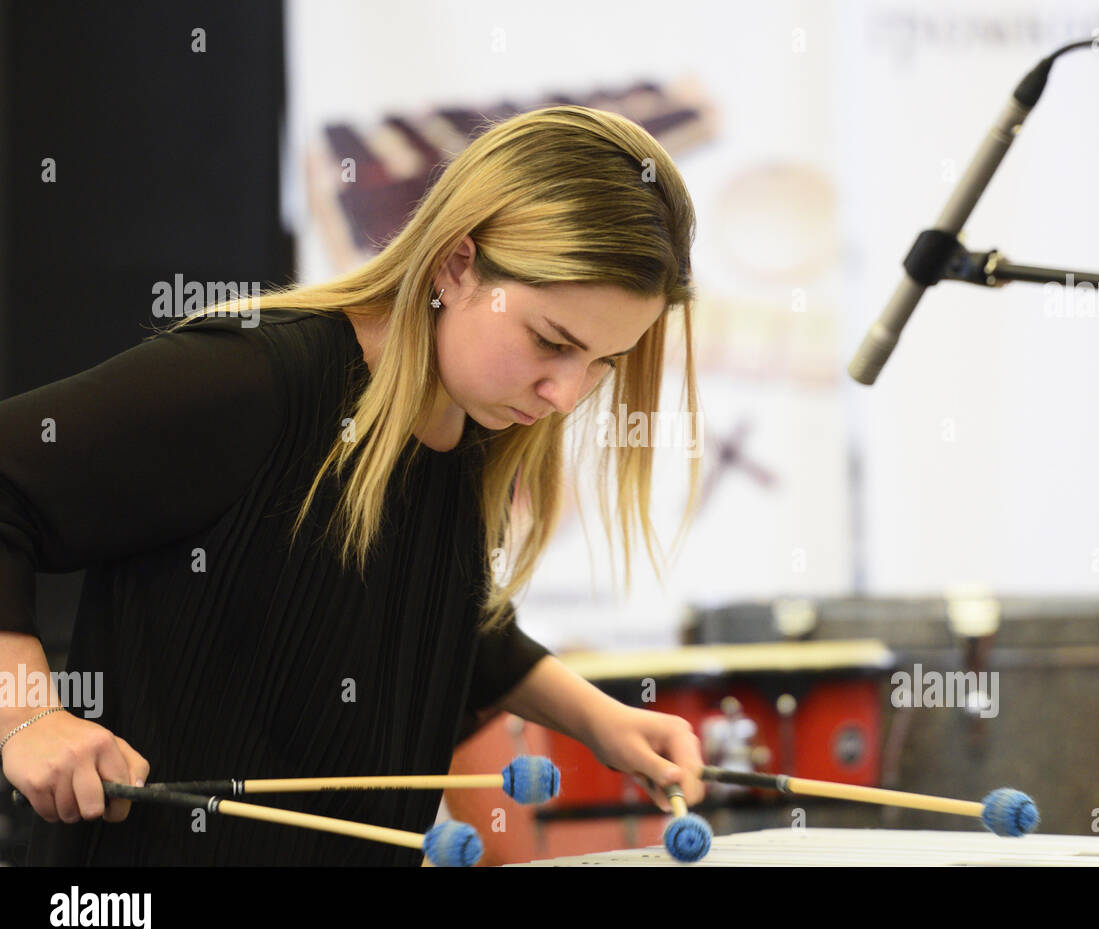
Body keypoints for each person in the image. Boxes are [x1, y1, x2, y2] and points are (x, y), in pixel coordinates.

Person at [0, 105, 706, 864]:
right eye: (550, 341)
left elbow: (434, 616)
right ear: (457, 264)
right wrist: (24, 716)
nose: (566, 394)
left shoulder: (473, 429)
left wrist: (601, 721)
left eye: (602, 361)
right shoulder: (252, 383)